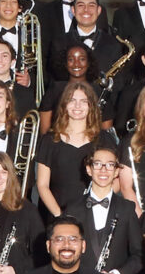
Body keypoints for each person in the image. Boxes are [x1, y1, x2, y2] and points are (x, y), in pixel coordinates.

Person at [72, 143, 144, 274]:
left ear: (117, 171)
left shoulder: (127, 209)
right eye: (97, 164)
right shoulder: (72, 210)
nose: (104, 170)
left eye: (110, 165)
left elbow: (139, 256)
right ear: (88, 169)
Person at [35, 79, 106, 215]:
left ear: (91, 105)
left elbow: (115, 181)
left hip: (96, 214)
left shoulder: (104, 139)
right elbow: (42, 185)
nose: (77, 106)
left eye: (83, 101)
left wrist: (97, 203)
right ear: (64, 105)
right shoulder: (50, 140)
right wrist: (60, 216)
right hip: (58, 215)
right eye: (72, 100)